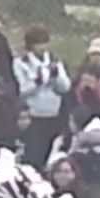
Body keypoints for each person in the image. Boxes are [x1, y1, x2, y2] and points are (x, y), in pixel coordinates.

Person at [13, 25, 71, 170]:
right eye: (38, 43)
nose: (42, 47)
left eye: (45, 42)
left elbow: (65, 87)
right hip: (34, 117)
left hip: (54, 115)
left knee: (52, 157)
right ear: (30, 45)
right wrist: (38, 82)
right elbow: (21, 90)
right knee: (34, 157)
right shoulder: (21, 63)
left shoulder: (54, 61)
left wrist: (55, 76)